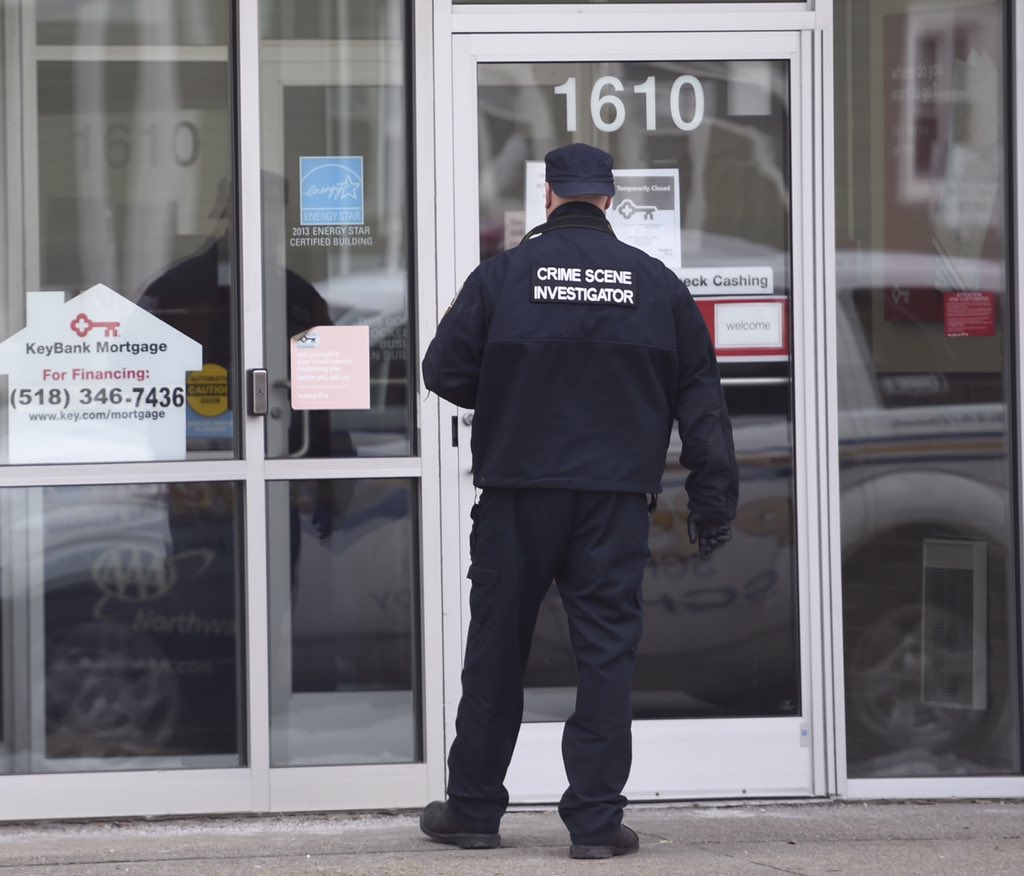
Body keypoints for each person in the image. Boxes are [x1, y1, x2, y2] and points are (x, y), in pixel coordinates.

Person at [419, 143, 738, 860]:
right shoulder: (657, 286)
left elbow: (442, 370)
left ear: (549, 195)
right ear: (609, 199)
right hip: (614, 501)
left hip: (518, 497)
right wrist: (713, 502)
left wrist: (510, 395)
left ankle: (473, 810)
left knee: (497, 651)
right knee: (605, 657)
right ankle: (595, 823)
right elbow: (703, 404)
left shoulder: (502, 276)